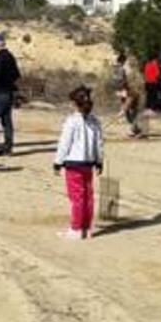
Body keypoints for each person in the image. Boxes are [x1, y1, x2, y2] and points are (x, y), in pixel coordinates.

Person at [53, 86, 104, 241]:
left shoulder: (72, 121)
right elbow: (99, 144)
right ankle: (86, 228)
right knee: (87, 196)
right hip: (88, 163)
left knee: (78, 197)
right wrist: (99, 161)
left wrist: (57, 162)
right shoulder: (95, 121)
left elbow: (64, 143)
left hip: (74, 164)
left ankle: (76, 229)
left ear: (75, 103)